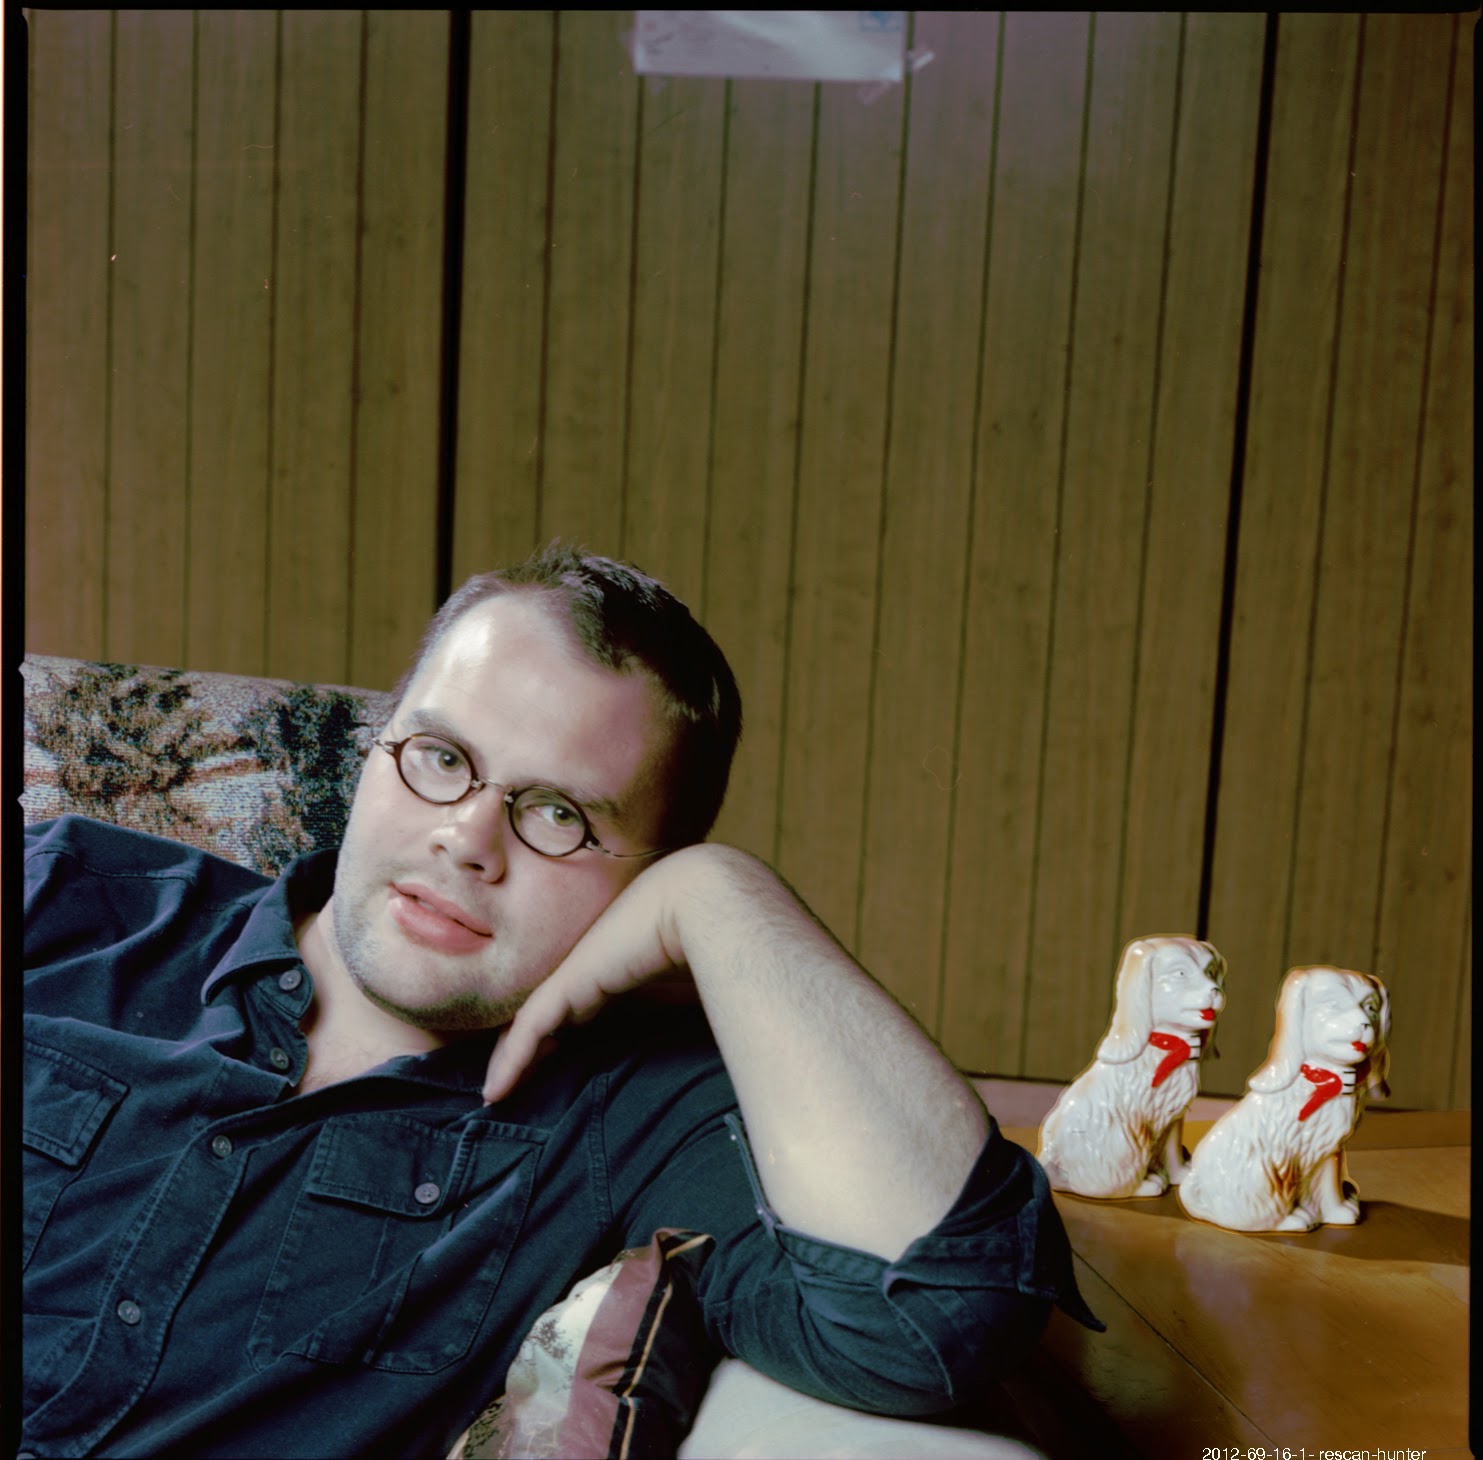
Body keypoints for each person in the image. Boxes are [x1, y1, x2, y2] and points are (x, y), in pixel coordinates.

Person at [22, 543, 1099, 1458]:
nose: (467, 838)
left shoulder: (633, 1113)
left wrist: (721, 899)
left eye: (559, 815)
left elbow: (929, 1318)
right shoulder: (65, 894)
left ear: (643, 881)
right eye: (441, 757)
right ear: (374, 754)